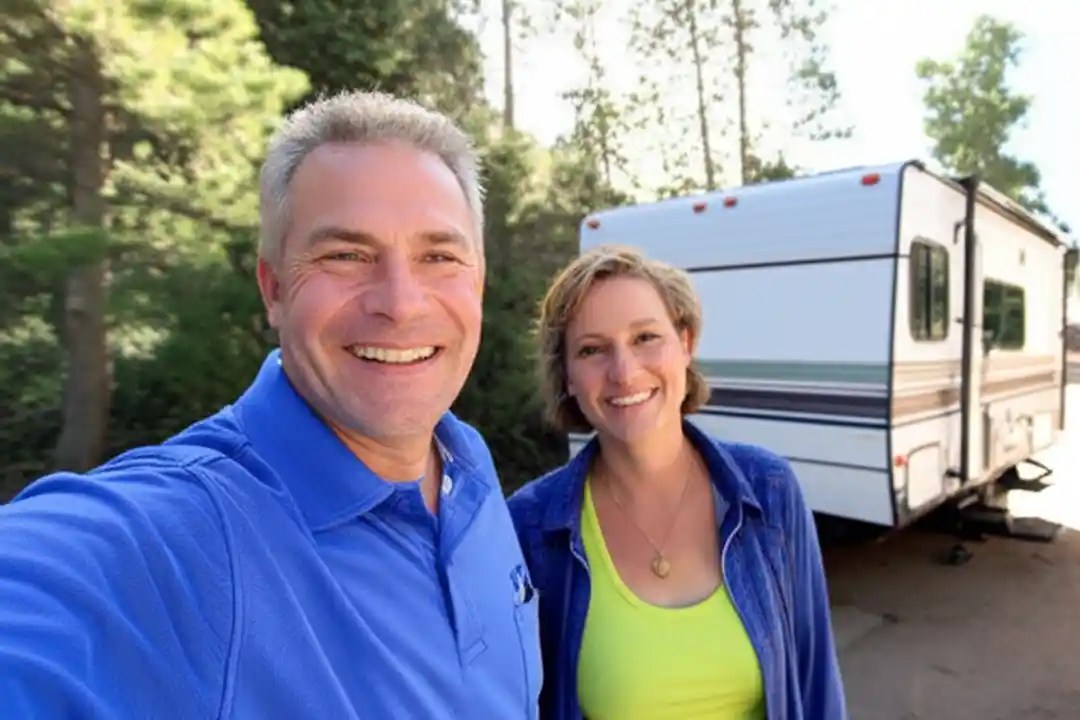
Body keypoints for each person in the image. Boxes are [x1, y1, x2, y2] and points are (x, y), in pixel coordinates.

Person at [0, 91, 541, 719]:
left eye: (439, 257)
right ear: (275, 288)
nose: (401, 302)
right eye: (346, 255)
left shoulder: (467, 465)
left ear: (475, 282)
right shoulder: (187, 540)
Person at [507, 244, 848, 719]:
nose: (624, 372)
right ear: (566, 375)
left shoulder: (769, 491)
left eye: (646, 337)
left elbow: (816, 690)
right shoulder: (529, 529)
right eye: (592, 349)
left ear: (685, 344)